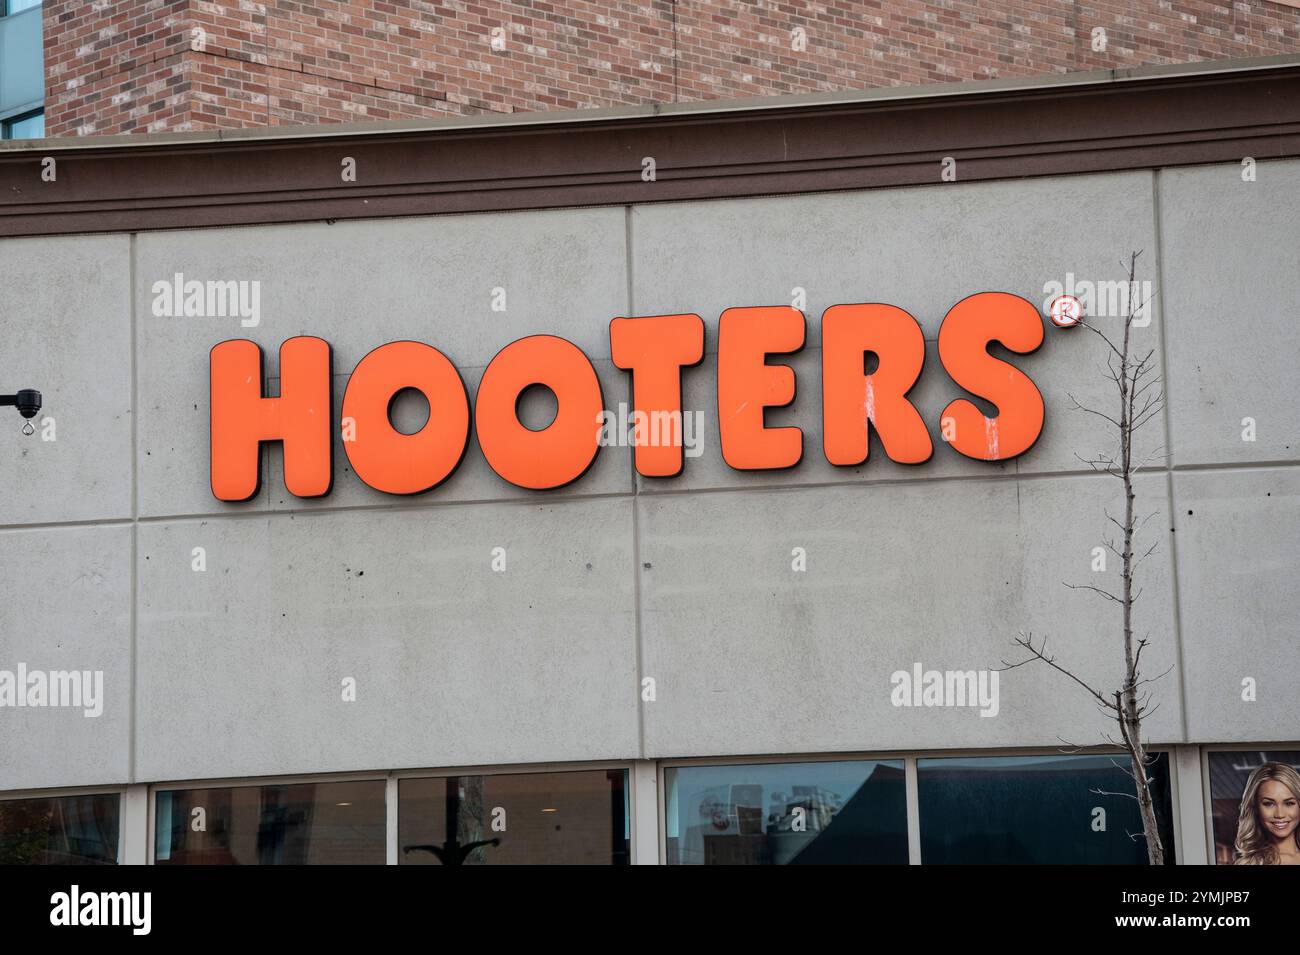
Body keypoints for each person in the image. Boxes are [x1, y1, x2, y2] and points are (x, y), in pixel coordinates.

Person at [1233, 761, 1300, 865]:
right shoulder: (1248, 863)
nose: (1280, 814)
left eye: (1289, 803)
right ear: (1255, 808)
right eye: (1269, 804)